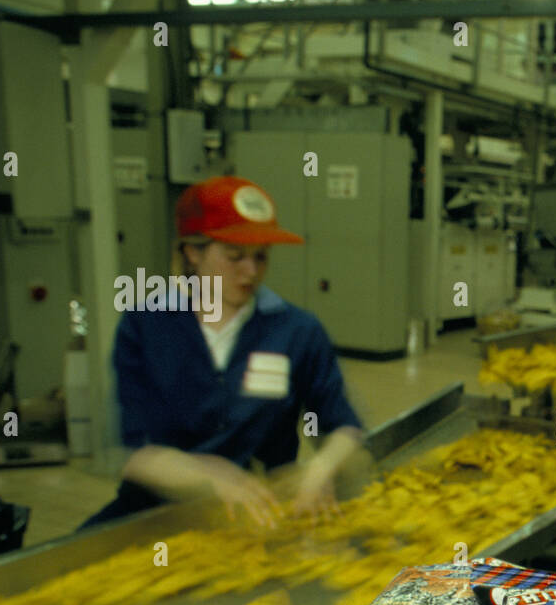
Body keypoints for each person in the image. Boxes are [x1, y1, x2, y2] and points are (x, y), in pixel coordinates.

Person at [81, 176, 365, 530]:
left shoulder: (296, 331)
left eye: (261, 257)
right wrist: (208, 475)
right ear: (192, 252)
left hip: (260, 514)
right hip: (158, 513)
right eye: (235, 256)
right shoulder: (147, 327)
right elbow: (133, 452)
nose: (250, 271)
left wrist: (323, 467)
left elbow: (343, 426)